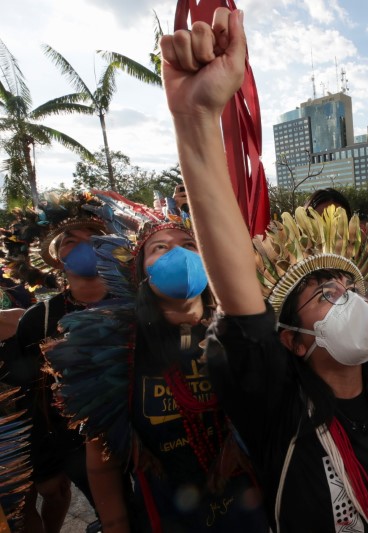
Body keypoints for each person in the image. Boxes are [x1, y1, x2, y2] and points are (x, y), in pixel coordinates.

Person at [159, 10, 368, 532]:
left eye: (349, 287)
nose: (348, 299)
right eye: (325, 293)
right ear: (293, 341)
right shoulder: (282, 410)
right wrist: (196, 120)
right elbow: (241, 302)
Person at [44, 194, 268, 532]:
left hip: (249, 508)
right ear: (139, 273)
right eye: (159, 247)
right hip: (165, 514)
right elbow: (103, 459)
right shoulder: (117, 347)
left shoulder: (241, 334)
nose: (178, 253)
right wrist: (116, 523)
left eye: (189, 244)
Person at [14, 192, 105, 533]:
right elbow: (31, 396)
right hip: (76, 444)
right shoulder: (38, 320)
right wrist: (46, 463)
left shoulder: (141, 304)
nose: (84, 246)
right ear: (56, 256)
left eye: (94, 238)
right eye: (71, 240)